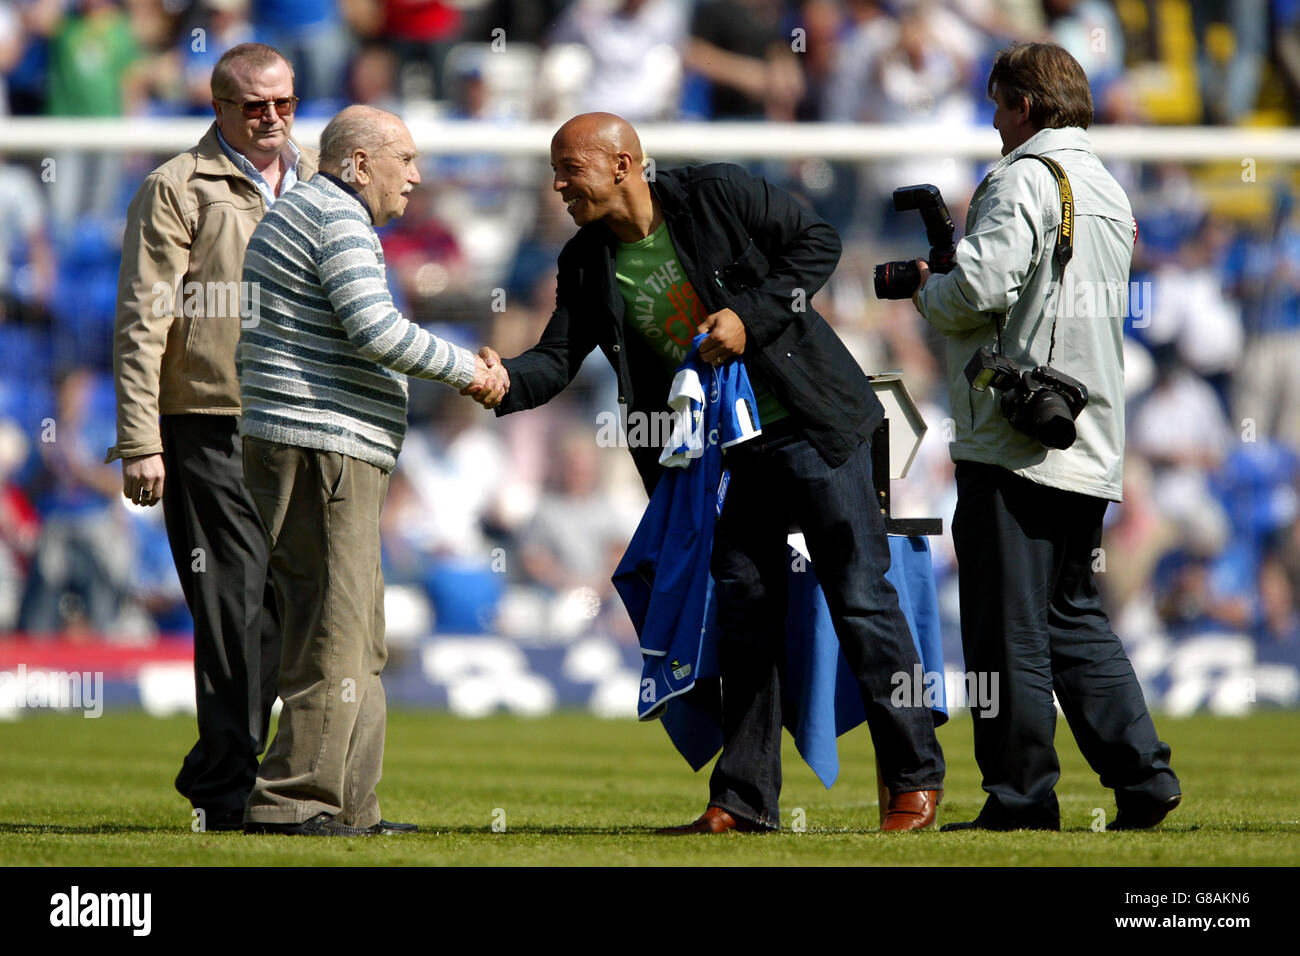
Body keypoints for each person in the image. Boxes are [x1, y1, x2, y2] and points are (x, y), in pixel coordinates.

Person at [473, 112, 945, 833]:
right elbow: (557, 359)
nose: (558, 184)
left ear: (624, 165)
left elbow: (819, 242)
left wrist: (748, 318)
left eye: (570, 167)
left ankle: (915, 781)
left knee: (858, 597)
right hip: (725, 464)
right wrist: (503, 378)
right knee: (745, 618)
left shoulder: (716, 191)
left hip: (813, 424)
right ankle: (745, 802)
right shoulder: (582, 261)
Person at [912, 42, 1182, 831]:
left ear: (1026, 105)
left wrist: (929, 291)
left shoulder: (1025, 176)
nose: (994, 122)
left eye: (1000, 105)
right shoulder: (1105, 186)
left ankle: (1021, 799)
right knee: (1072, 616)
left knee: (1007, 631)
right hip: (1088, 436)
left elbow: (982, 287)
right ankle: (1143, 777)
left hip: (1016, 437)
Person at [237, 105, 506, 836]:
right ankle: (296, 802)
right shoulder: (337, 217)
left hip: (310, 445)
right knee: (335, 631)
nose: (417, 178)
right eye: (406, 160)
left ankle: (350, 805)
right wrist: (468, 372)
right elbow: (376, 329)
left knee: (358, 635)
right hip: (326, 449)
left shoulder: (306, 211)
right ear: (358, 164)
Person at [107, 43, 317, 832]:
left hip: (295, 422)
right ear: (218, 105)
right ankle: (226, 790)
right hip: (206, 423)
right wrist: (140, 439)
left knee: (284, 611)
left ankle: (236, 774)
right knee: (234, 606)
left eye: (284, 104)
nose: (271, 119)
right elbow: (143, 319)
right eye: (254, 105)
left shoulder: (319, 179)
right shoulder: (176, 187)